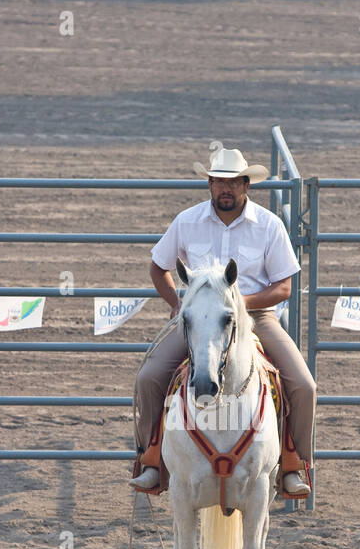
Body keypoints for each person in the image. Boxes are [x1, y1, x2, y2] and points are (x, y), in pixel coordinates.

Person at [129, 147, 315, 498]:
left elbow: (284, 287)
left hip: (255, 316)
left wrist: (238, 305)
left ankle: (293, 464)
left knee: (304, 386)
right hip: (199, 317)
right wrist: (177, 304)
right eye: (218, 182)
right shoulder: (187, 221)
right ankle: (151, 460)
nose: (224, 189)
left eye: (232, 183)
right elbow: (158, 267)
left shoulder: (269, 226)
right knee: (149, 378)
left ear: (247, 185)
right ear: (209, 185)